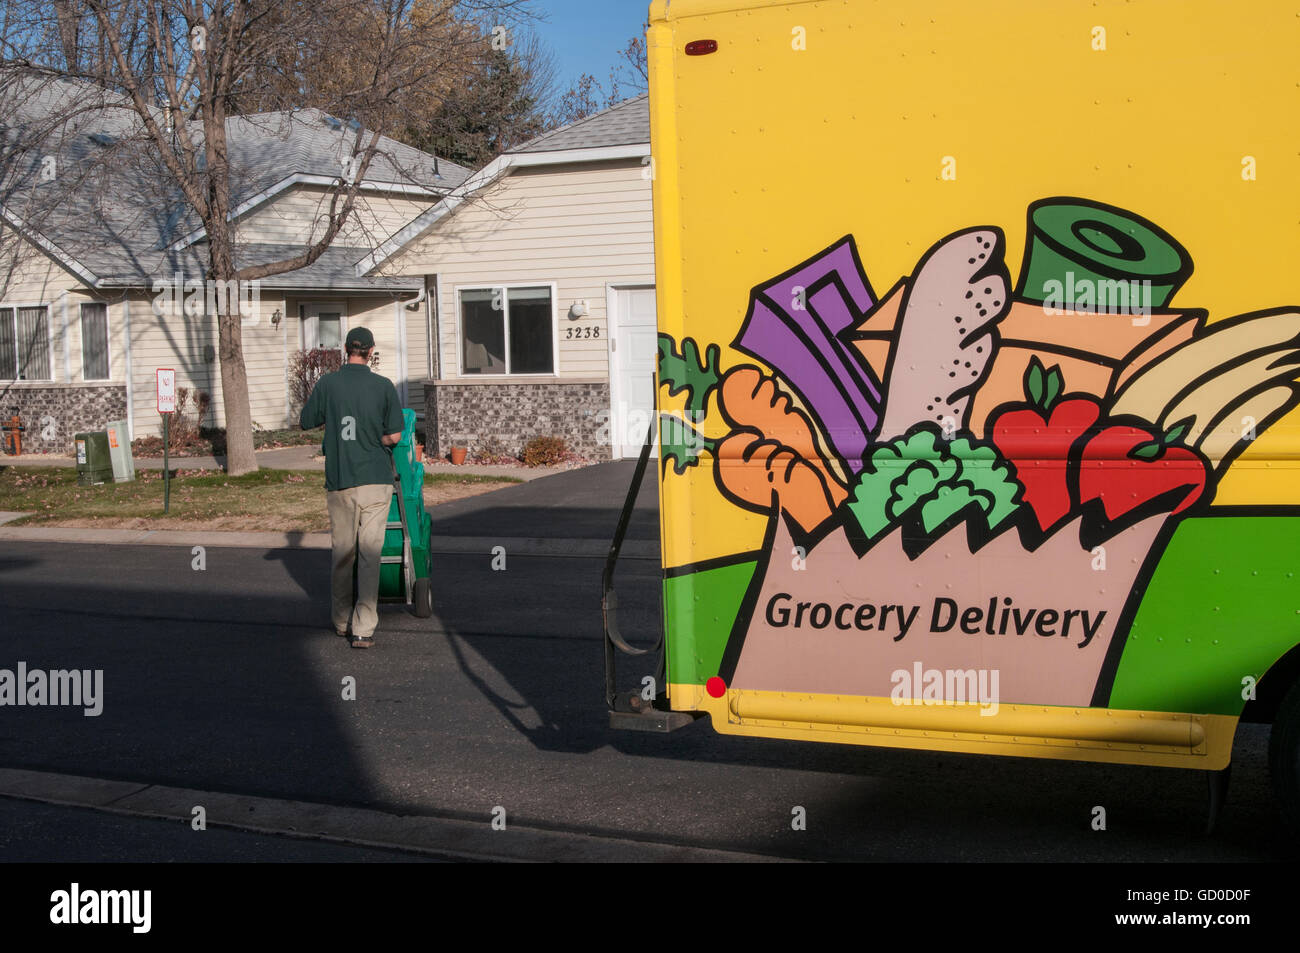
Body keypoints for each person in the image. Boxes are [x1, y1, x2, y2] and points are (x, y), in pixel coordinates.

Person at [299, 327, 403, 648]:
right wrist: (376, 439)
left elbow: (306, 420)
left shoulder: (329, 384)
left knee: (343, 553)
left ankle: (341, 620)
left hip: (340, 480)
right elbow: (395, 436)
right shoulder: (383, 386)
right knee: (370, 554)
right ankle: (364, 627)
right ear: (370, 351)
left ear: (346, 349)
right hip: (376, 480)